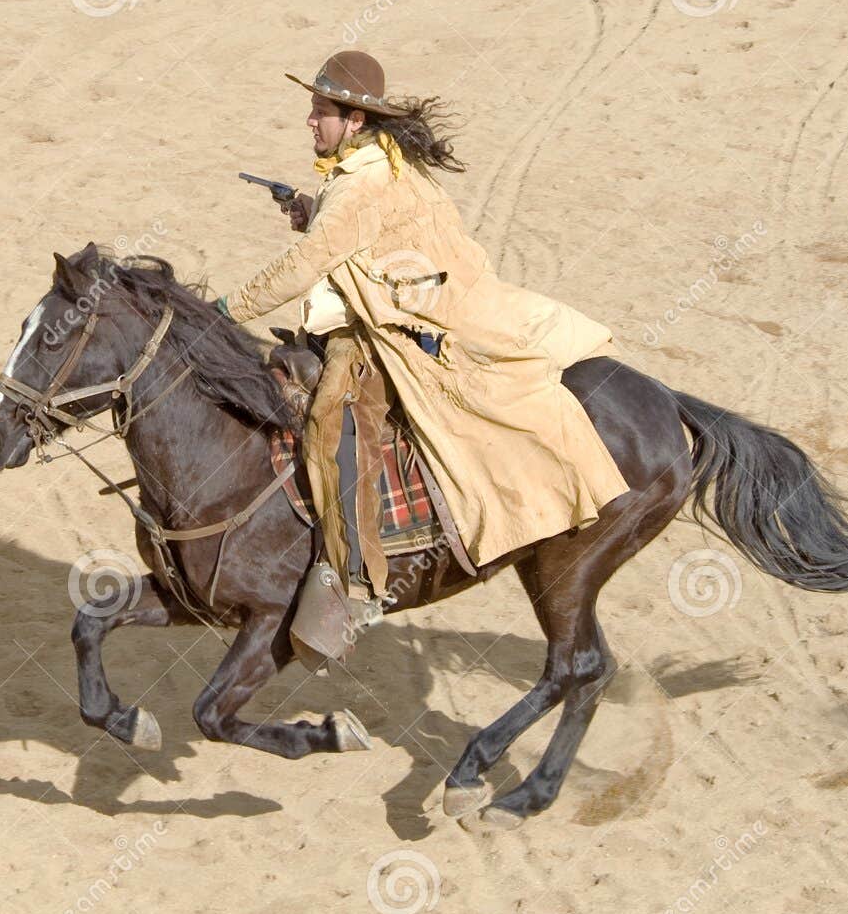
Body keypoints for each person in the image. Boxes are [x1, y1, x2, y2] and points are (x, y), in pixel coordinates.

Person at [217, 50, 630, 632]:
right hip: (418, 303)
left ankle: (357, 578)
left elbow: (304, 265)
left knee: (333, 411)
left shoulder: (361, 183)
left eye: (320, 112)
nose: (310, 122)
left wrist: (221, 311)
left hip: (411, 325)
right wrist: (313, 211)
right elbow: (357, 239)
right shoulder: (376, 167)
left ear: (354, 122)